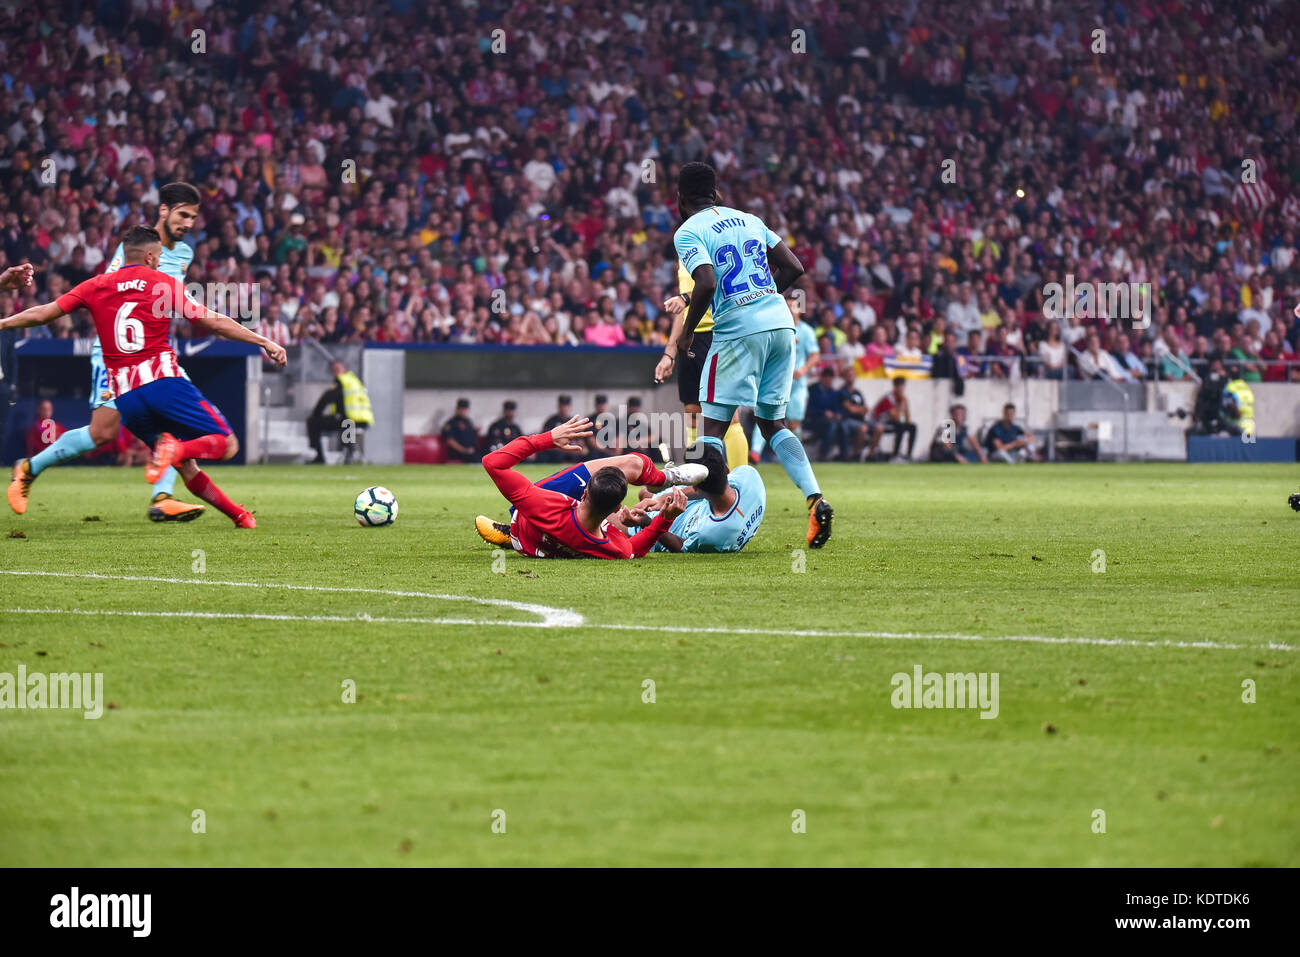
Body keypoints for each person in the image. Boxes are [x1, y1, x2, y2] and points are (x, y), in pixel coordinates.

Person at [0, 225, 287, 526]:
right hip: (162, 383)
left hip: (126, 397)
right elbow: (212, 322)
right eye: (160, 256)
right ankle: (172, 453)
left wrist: (4, 324)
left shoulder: (96, 285)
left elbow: (42, 313)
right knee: (227, 445)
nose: (161, 261)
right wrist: (263, 341)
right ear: (149, 256)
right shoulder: (163, 283)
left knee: (183, 463)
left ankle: (238, 515)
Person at [8, 184, 208, 520]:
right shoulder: (131, 251)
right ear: (163, 211)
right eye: (182, 214)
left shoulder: (185, 254)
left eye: (193, 217)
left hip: (155, 353)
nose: (188, 222)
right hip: (116, 352)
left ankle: (162, 497)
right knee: (102, 432)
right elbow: (110, 292)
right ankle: (28, 467)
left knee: (174, 421)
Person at [672, 162, 832, 547]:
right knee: (771, 422)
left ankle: (716, 507)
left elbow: (707, 282)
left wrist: (687, 333)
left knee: (710, 427)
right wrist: (764, 297)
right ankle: (815, 499)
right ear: (716, 191)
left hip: (737, 331)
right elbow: (795, 266)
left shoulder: (688, 231)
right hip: (781, 323)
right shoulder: (750, 219)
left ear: (679, 198)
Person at [473, 415, 706, 559]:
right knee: (635, 465)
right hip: (539, 543)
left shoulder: (547, 505)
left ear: (583, 493)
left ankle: (662, 477)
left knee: (634, 464)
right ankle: (663, 478)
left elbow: (492, 462)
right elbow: (635, 548)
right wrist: (664, 518)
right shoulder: (612, 547)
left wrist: (548, 439)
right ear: (617, 509)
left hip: (526, 523)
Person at [656, 259, 748, 468]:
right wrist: (669, 352)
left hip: (719, 334)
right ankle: (696, 482)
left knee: (728, 416)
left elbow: (714, 287)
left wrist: (685, 298)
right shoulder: (683, 251)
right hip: (691, 337)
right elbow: (685, 309)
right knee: (693, 414)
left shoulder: (713, 241)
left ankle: (742, 483)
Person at [635, 441, 766, 553]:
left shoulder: (709, 533)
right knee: (645, 493)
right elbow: (715, 483)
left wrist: (647, 522)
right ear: (726, 469)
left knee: (621, 518)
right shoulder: (750, 477)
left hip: (667, 525)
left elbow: (681, 546)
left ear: (695, 486)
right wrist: (660, 500)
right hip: (695, 506)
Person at [306, 360, 374, 464]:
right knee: (345, 423)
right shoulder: (355, 380)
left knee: (313, 422)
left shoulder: (342, 381)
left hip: (350, 420)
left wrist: (316, 413)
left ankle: (320, 456)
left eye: (337, 370)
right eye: (333, 370)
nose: (335, 373)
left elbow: (327, 398)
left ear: (344, 369)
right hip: (362, 419)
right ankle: (351, 453)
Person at [867, 376, 917, 461]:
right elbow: (896, 417)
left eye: (903, 387)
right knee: (900, 426)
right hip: (880, 422)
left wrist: (905, 405)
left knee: (913, 427)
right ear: (895, 387)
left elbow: (907, 419)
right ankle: (895, 455)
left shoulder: (902, 399)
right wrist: (902, 405)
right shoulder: (889, 398)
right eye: (899, 387)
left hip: (891, 422)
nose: (901, 389)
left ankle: (909, 455)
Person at [538, 394, 582, 464]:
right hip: (556, 449)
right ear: (558, 407)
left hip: (570, 449)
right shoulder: (551, 421)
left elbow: (580, 440)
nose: (564, 408)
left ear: (570, 407)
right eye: (562, 406)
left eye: (566, 406)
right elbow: (545, 439)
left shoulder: (574, 421)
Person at [440, 398, 479, 462]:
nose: (464, 411)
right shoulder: (452, 423)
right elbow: (449, 440)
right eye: (462, 409)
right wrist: (464, 450)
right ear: (457, 409)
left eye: (465, 409)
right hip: (458, 454)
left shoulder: (468, 422)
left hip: (472, 453)